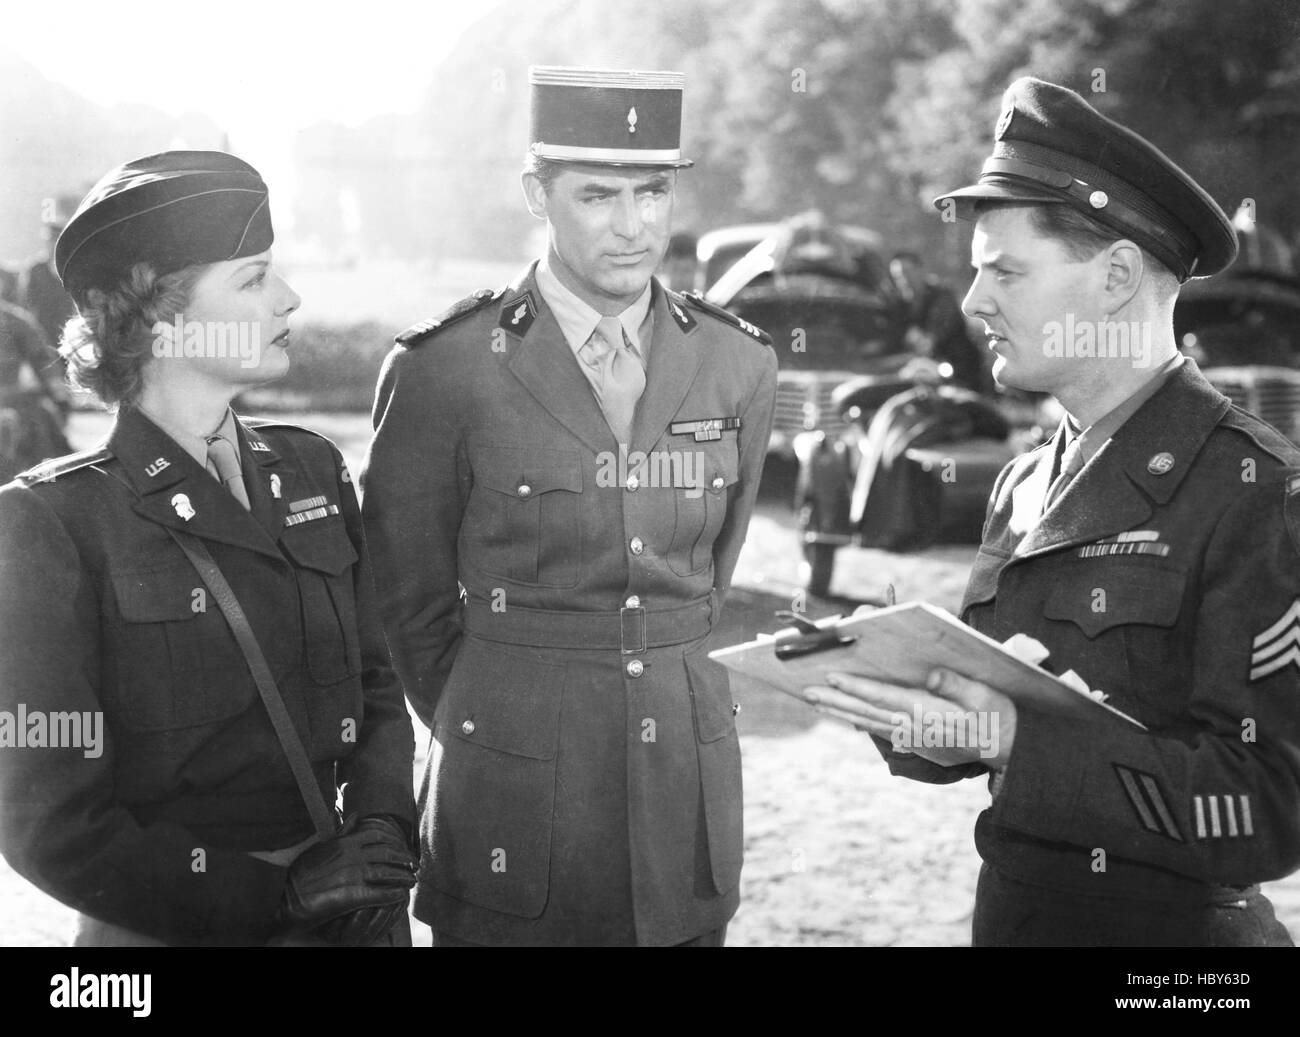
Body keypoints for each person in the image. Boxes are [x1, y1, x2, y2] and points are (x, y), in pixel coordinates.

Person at [805, 78, 1300, 946]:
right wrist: (914, 701)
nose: (971, 303)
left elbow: (1266, 803)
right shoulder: (1025, 481)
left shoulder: (1257, 491)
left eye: (1006, 271)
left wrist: (1012, 741)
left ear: (1115, 276)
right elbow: (995, 713)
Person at [363, 66, 778, 947]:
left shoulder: (740, 363)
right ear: (536, 194)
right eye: (597, 195)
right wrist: (501, 713)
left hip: (683, 789)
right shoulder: (447, 368)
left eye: (653, 191)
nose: (633, 226)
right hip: (513, 792)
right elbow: (408, 599)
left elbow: (711, 575)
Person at [0, 151, 418, 947]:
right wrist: (274, 893)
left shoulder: (313, 468)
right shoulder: (51, 522)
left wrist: (382, 828)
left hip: (349, 920)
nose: (288, 296)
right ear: (162, 315)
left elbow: (376, 683)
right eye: (254, 278)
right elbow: (47, 820)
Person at [888, 250, 986, 390]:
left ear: (921, 270)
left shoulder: (942, 296)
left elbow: (931, 339)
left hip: (957, 368)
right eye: (898, 276)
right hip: (926, 366)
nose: (904, 279)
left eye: (908, 272)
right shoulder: (900, 305)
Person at [0, 297, 71, 483]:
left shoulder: (14, 320)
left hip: (15, 400)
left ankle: (50, 491)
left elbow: (41, 358)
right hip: (11, 402)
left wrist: (58, 393)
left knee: (46, 449)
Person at [17, 194, 80, 350]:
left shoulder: (72, 269)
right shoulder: (35, 269)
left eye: (57, 240)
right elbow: (26, 306)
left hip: (70, 339)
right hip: (43, 341)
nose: (53, 245)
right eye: (51, 240)